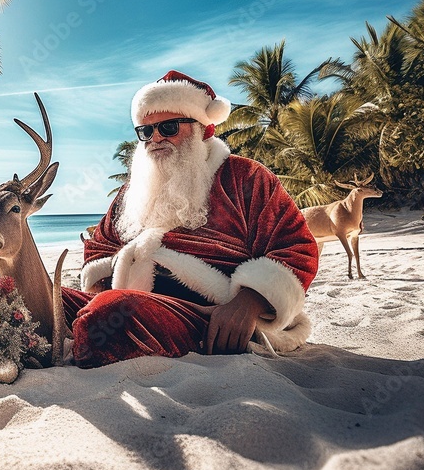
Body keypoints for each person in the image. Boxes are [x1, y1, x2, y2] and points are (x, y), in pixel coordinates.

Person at [62, 70, 319, 368]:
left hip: (209, 313)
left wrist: (248, 303)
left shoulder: (246, 177)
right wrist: (96, 290)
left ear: (201, 129)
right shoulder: (132, 190)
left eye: (168, 127)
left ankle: (77, 339)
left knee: (112, 313)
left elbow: (296, 246)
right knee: (29, 298)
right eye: (145, 132)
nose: (155, 138)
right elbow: (100, 247)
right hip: (128, 296)